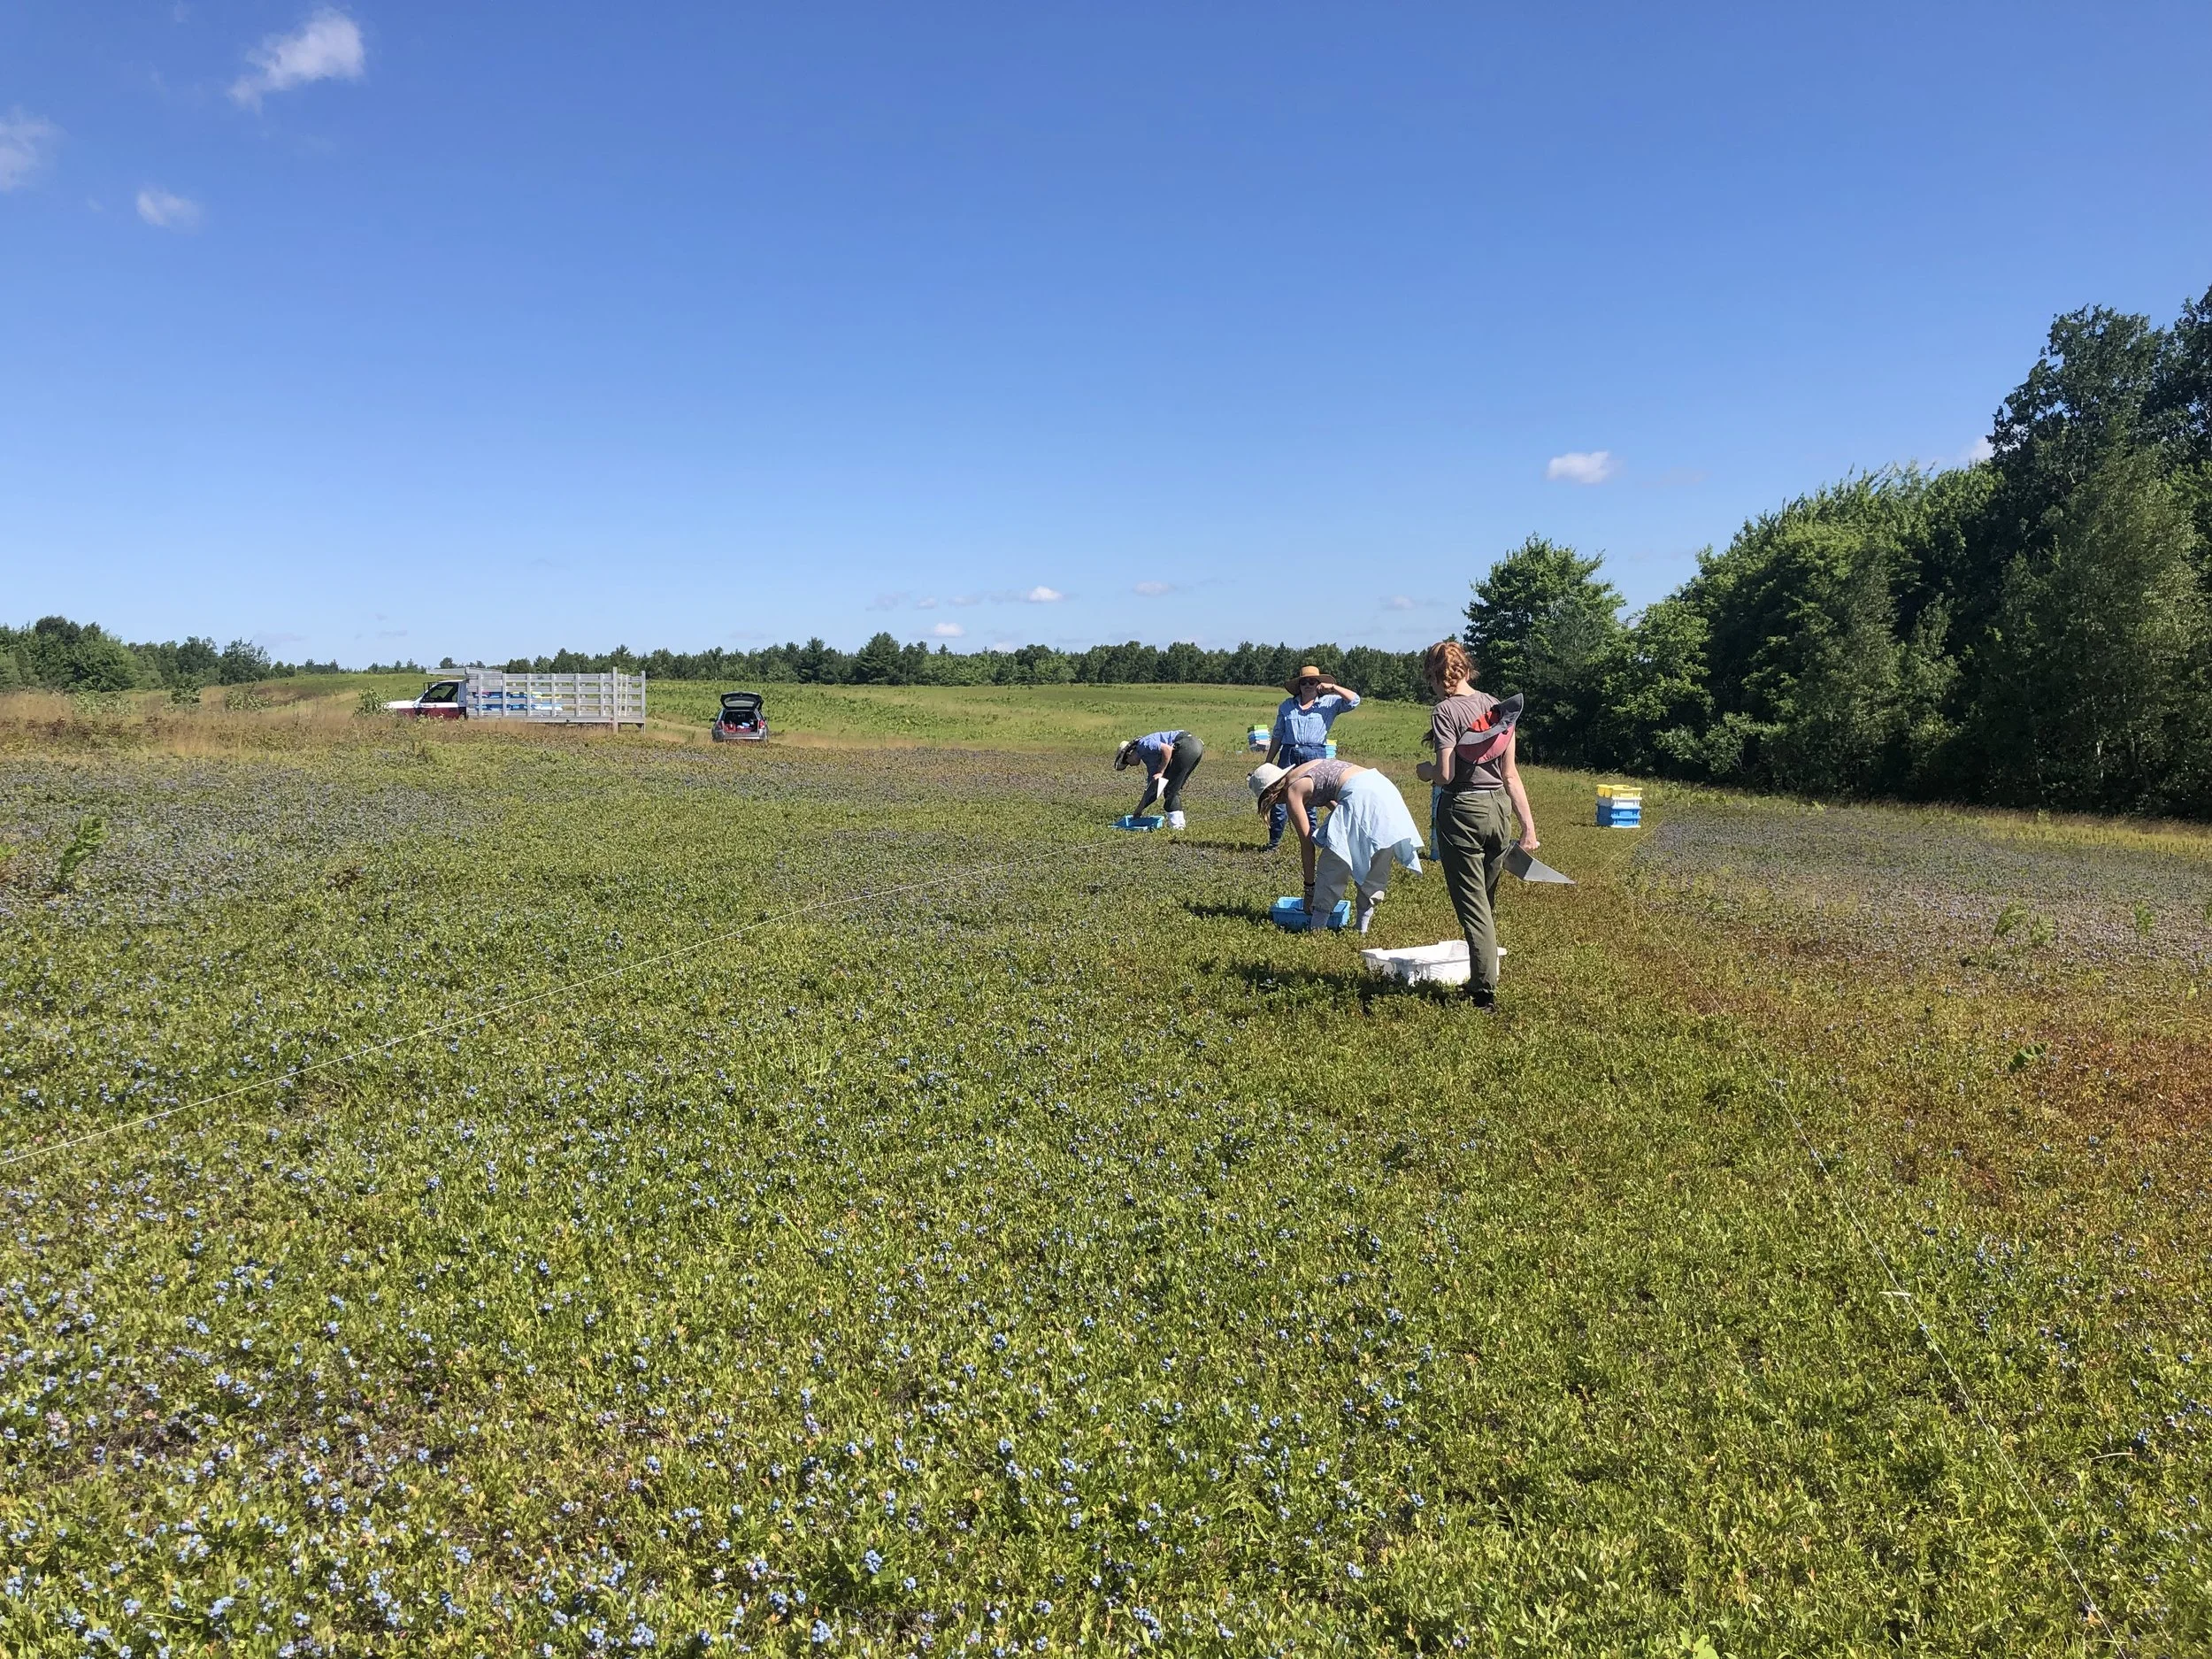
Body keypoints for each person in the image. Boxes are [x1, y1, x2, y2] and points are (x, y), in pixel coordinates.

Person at [1414, 639, 1539, 1010]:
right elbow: (1510, 774)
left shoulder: (1445, 712)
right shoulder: (1497, 708)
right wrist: (1528, 828)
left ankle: (1483, 991)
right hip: (1499, 808)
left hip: (1463, 810)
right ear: (1467, 669)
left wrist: (1424, 772)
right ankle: (1479, 973)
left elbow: (1446, 774)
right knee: (1485, 900)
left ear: (1437, 677)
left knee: (1472, 904)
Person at [1248, 756, 1423, 933]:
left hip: (1360, 794)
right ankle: (1361, 929)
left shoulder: (1293, 790)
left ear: (1270, 795)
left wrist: (1309, 889)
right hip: (1384, 789)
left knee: (1333, 862)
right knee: (1378, 854)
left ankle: (1317, 929)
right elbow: (1333, 796)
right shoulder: (1307, 769)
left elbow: (1307, 843)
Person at [1263, 667, 1362, 852]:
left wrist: (1333, 687)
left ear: (1319, 684)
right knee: (1278, 797)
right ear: (1298, 685)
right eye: (1304, 682)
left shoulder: (1329, 703)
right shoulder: (1287, 706)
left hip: (1315, 753)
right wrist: (1269, 761)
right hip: (1289, 752)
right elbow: (1278, 734)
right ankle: (1274, 843)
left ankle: (1311, 841)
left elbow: (1355, 700)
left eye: (1312, 681)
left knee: (1312, 799)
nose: (1308, 685)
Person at [1113, 729, 1204, 829]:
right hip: (1195, 747)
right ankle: (1179, 826)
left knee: (1170, 791)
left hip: (1187, 746)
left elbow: (1167, 750)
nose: (1129, 765)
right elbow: (1154, 786)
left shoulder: (1143, 745)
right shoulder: (1148, 756)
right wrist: (1139, 810)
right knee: (1172, 789)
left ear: (1129, 753)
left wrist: (1161, 772)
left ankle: (1178, 828)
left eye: (1126, 762)